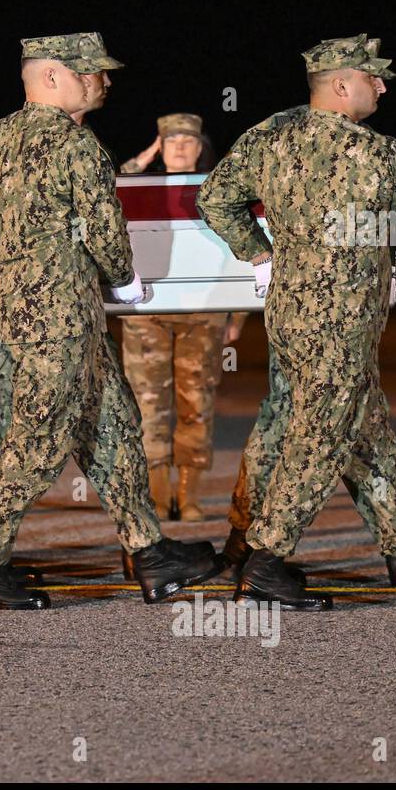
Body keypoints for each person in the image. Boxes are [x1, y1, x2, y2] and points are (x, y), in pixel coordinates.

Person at [196, 34, 396, 610]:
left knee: (360, 423)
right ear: (341, 84)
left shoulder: (269, 138)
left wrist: (259, 252)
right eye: (373, 78)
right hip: (346, 316)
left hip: (288, 311)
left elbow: (215, 198)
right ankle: (265, 559)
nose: (381, 86)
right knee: (323, 432)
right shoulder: (387, 155)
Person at [0, 32, 219, 610]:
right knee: (39, 436)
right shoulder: (76, 145)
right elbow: (106, 228)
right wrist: (124, 279)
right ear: (54, 77)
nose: (104, 81)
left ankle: (149, 550)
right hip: (65, 313)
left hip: (31, 310)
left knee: (114, 423)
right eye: (93, 73)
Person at [118, 113, 246, 521]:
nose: (178, 147)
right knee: (148, 406)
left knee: (196, 404)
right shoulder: (139, 188)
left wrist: (237, 316)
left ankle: (188, 496)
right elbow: (104, 190)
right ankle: (157, 493)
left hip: (202, 313)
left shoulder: (216, 192)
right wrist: (143, 160)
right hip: (146, 314)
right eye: (169, 140)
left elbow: (240, 254)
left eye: (187, 140)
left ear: (200, 147)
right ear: (159, 146)